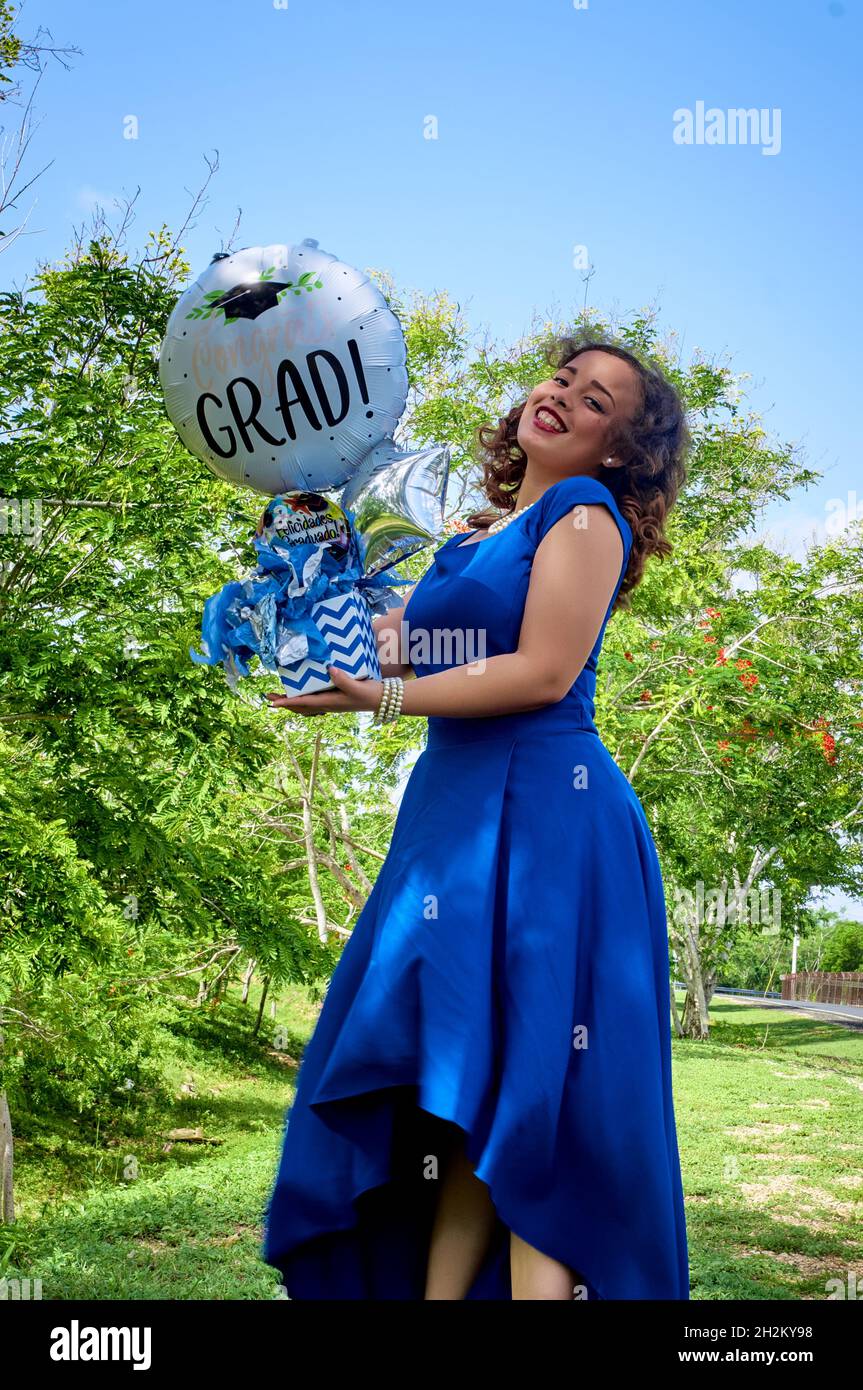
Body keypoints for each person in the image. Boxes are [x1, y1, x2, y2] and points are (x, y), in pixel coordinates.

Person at [261, 334, 692, 1300]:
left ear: (617, 452)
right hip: (450, 823)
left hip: (546, 821)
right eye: (561, 379)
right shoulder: (471, 535)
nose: (563, 399)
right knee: (461, 1097)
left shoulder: (583, 516)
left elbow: (540, 671)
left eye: (595, 405)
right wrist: (305, 600)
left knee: (538, 1098)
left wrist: (383, 700)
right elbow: (411, 652)